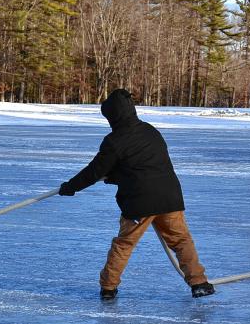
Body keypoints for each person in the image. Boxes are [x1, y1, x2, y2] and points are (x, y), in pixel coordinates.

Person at [58, 89, 215, 299]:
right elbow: (141, 164)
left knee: (124, 244)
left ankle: (108, 287)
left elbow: (95, 171)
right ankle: (199, 283)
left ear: (113, 116)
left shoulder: (114, 141)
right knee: (181, 241)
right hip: (169, 197)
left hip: (139, 203)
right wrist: (117, 175)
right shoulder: (150, 131)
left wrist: (71, 186)